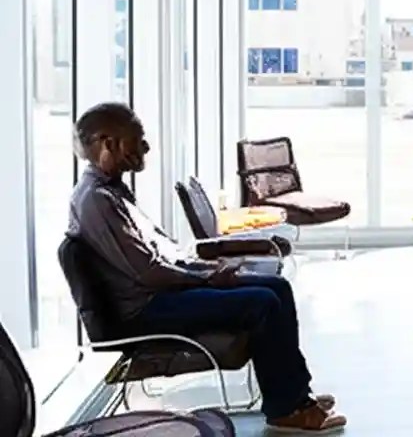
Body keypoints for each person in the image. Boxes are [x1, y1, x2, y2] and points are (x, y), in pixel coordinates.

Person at [67, 102, 347, 433]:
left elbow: (154, 256)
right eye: (137, 139)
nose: (146, 147)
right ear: (108, 143)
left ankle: (294, 394)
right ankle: (288, 409)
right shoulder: (98, 200)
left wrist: (202, 268)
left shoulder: (111, 193)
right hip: (144, 309)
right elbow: (148, 272)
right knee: (262, 303)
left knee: (277, 287)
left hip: (154, 294)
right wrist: (209, 277)